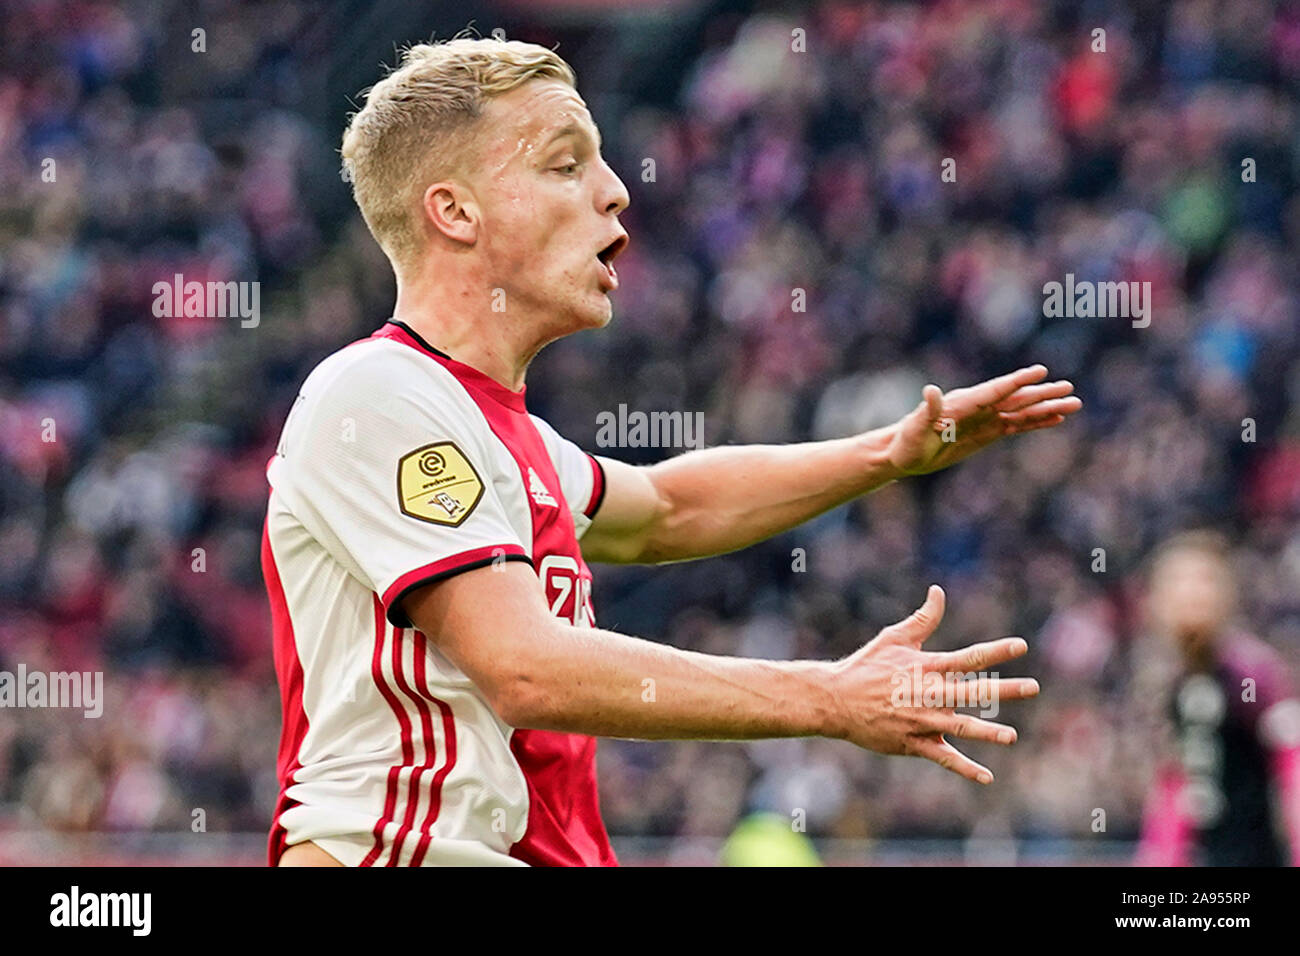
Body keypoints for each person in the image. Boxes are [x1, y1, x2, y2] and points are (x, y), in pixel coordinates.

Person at [264, 37, 1081, 867]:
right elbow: (525, 666)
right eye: (564, 165)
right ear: (457, 212)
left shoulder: (501, 434)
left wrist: (889, 453)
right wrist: (827, 696)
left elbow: (666, 507)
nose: (616, 192)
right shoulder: (374, 393)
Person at [1136, 531, 1300, 866]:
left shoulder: (1252, 674)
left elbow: (1293, 769)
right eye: (1179, 581)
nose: (1192, 592)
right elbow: (1172, 789)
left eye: (1204, 580)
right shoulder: (1166, 683)